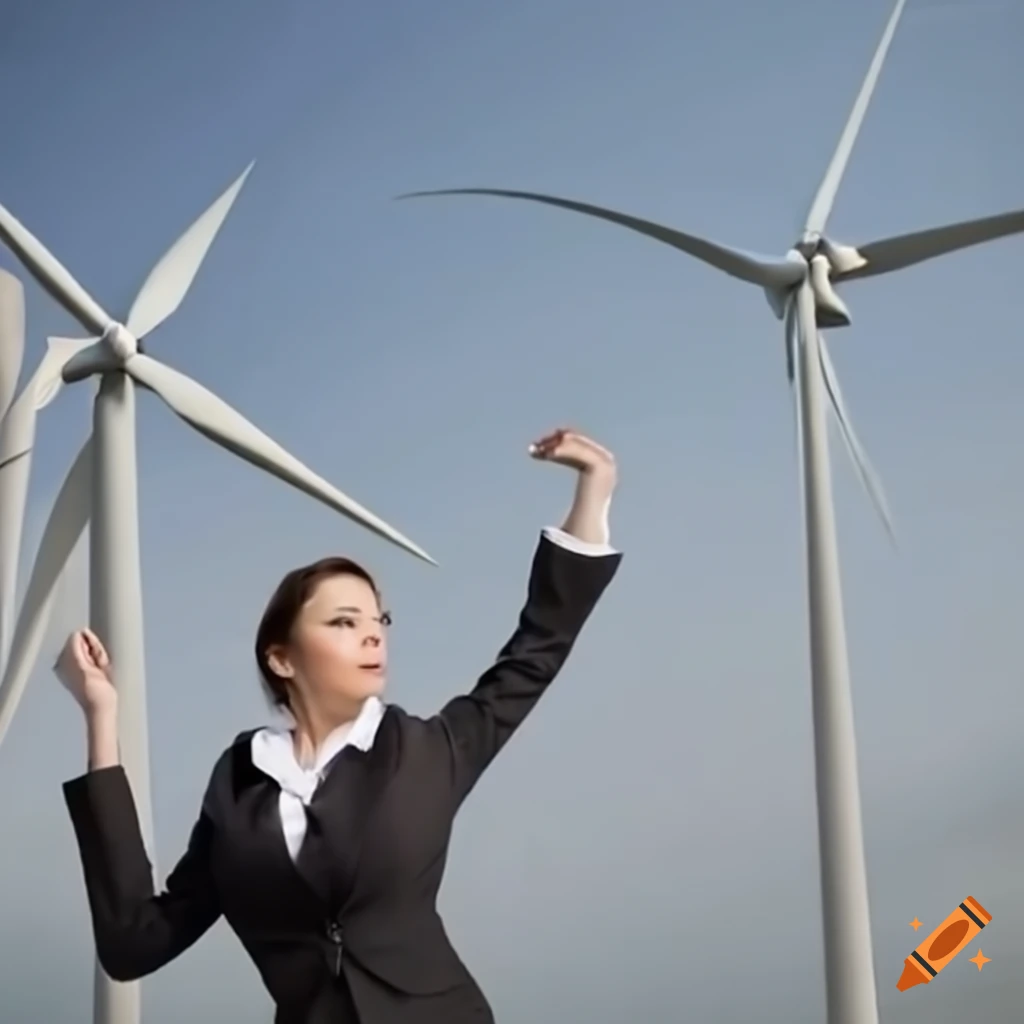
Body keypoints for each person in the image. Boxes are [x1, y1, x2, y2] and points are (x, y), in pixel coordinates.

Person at [57, 427, 623, 1024]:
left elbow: (537, 648)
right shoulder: (237, 785)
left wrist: (596, 488)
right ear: (281, 658)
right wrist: (101, 715)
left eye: (379, 619)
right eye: (344, 622)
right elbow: (133, 941)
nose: (374, 632)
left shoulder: (430, 750)